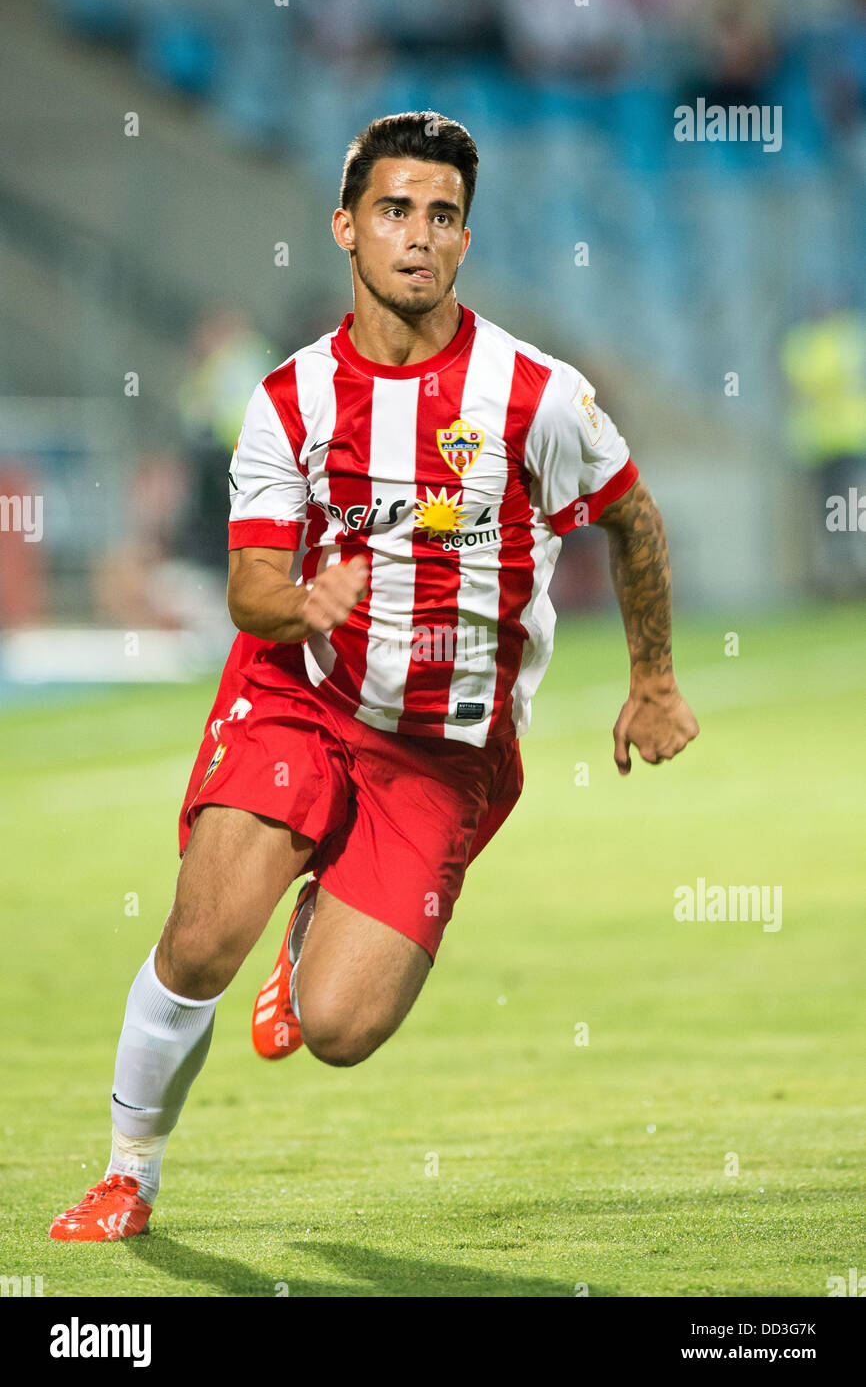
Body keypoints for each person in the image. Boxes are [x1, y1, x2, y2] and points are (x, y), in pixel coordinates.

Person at [50, 111, 699, 1241]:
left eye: (443, 216)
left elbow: (631, 519)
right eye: (396, 210)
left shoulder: (531, 395)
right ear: (346, 227)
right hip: (298, 684)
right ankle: (128, 1172)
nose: (419, 236)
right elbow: (252, 580)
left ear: (463, 239)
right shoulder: (288, 400)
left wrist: (652, 679)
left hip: (443, 745)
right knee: (203, 937)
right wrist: (300, 603)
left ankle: (313, 937)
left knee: (340, 1028)